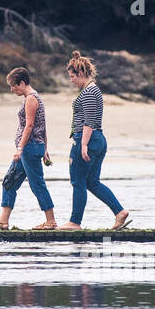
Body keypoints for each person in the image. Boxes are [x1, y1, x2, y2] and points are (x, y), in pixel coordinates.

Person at [60, 51, 131, 231]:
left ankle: (74, 222)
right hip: (97, 140)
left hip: (88, 139)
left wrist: (83, 144)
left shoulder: (90, 92)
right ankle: (119, 212)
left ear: (81, 74)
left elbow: (89, 121)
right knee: (92, 182)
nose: (71, 80)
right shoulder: (92, 90)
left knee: (78, 181)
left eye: (72, 76)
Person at [0, 67, 57, 230]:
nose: (12, 89)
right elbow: (42, 126)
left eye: (13, 86)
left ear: (22, 83)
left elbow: (31, 125)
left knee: (37, 184)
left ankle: (51, 221)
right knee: (9, 181)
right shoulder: (32, 98)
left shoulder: (31, 99)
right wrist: (45, 148)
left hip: (29, 148)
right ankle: (3, 221)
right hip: (31, 148)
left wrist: (20, 147)